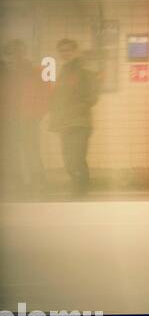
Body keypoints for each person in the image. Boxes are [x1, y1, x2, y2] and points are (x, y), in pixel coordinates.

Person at [47, 38, 99, 198]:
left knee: (77, 158)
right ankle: (79, 189)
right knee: (69, 159)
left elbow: (92, 97)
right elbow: (58, 98)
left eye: (68, 50)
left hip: (80, 123)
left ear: (75, 51)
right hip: (65, 123)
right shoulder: (63, 72)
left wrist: (72, 109)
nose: (65, 53)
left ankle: (81, 191)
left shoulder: (84, 71)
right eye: (62, 51)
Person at [1, 40, 47, 196]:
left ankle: (38, 183)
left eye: (17, 52)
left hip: (28, 119)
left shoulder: (34, 71)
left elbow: (43, 96)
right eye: (10, 53)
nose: (14, 56)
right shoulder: (5, 73)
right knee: (12, 153)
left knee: (31, 151)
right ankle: (17, 184)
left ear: (23, 53)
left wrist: (37, 115)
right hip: (8, 120)